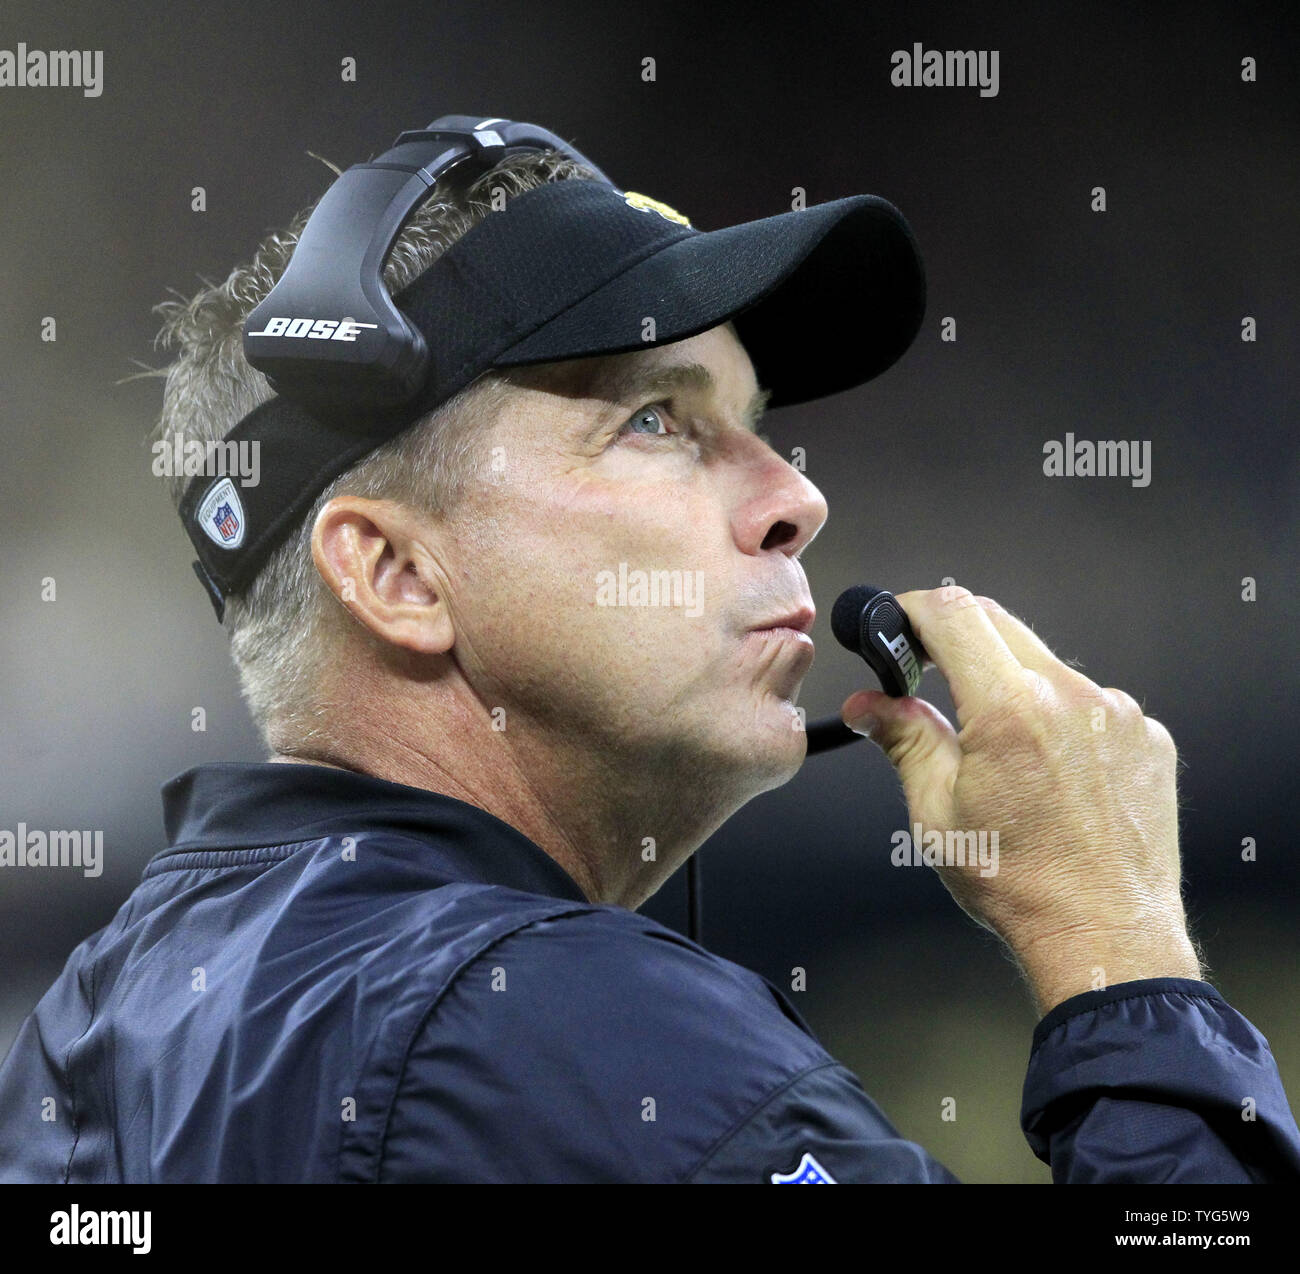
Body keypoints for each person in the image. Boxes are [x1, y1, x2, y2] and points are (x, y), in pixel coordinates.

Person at [0, 129, 1296, 1183]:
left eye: (760, 422)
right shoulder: (561, 1021)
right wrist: (1119, 946)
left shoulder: (92, 1023)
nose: (797, 495)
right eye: (659, 421)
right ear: (395, 574)